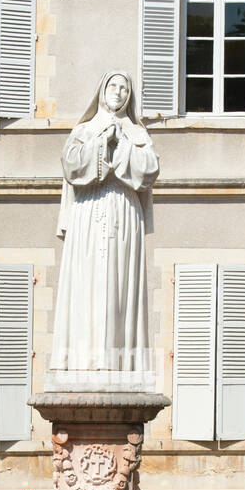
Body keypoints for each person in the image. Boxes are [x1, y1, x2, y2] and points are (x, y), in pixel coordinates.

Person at [49, 70, 160, 390]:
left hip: (124, 212)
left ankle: (121, 361)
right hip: (88, 211)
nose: (119, 92)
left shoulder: (137, 133)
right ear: (102, 90)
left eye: (125, 88)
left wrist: (122, 143)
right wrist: (101, 142)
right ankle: (81, 360)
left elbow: (149, 170)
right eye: (114, 86)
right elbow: (71, 166)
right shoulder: (84, 130)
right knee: (86, 281)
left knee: (121, 284)